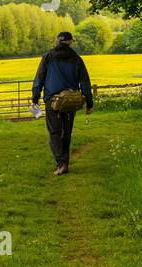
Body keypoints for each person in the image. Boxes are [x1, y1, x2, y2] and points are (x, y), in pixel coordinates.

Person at [30, 31, 94, 175]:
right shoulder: (77, 59)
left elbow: (39, 79)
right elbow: (85, 83)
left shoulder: (48, 57)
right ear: (70, 42)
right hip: (70, 101)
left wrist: (35, 98)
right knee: (67, 133)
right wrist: (89, 103)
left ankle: (61, 163)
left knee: (54, 132)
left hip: (53, 101)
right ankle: (65, 162)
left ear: (57, 41)